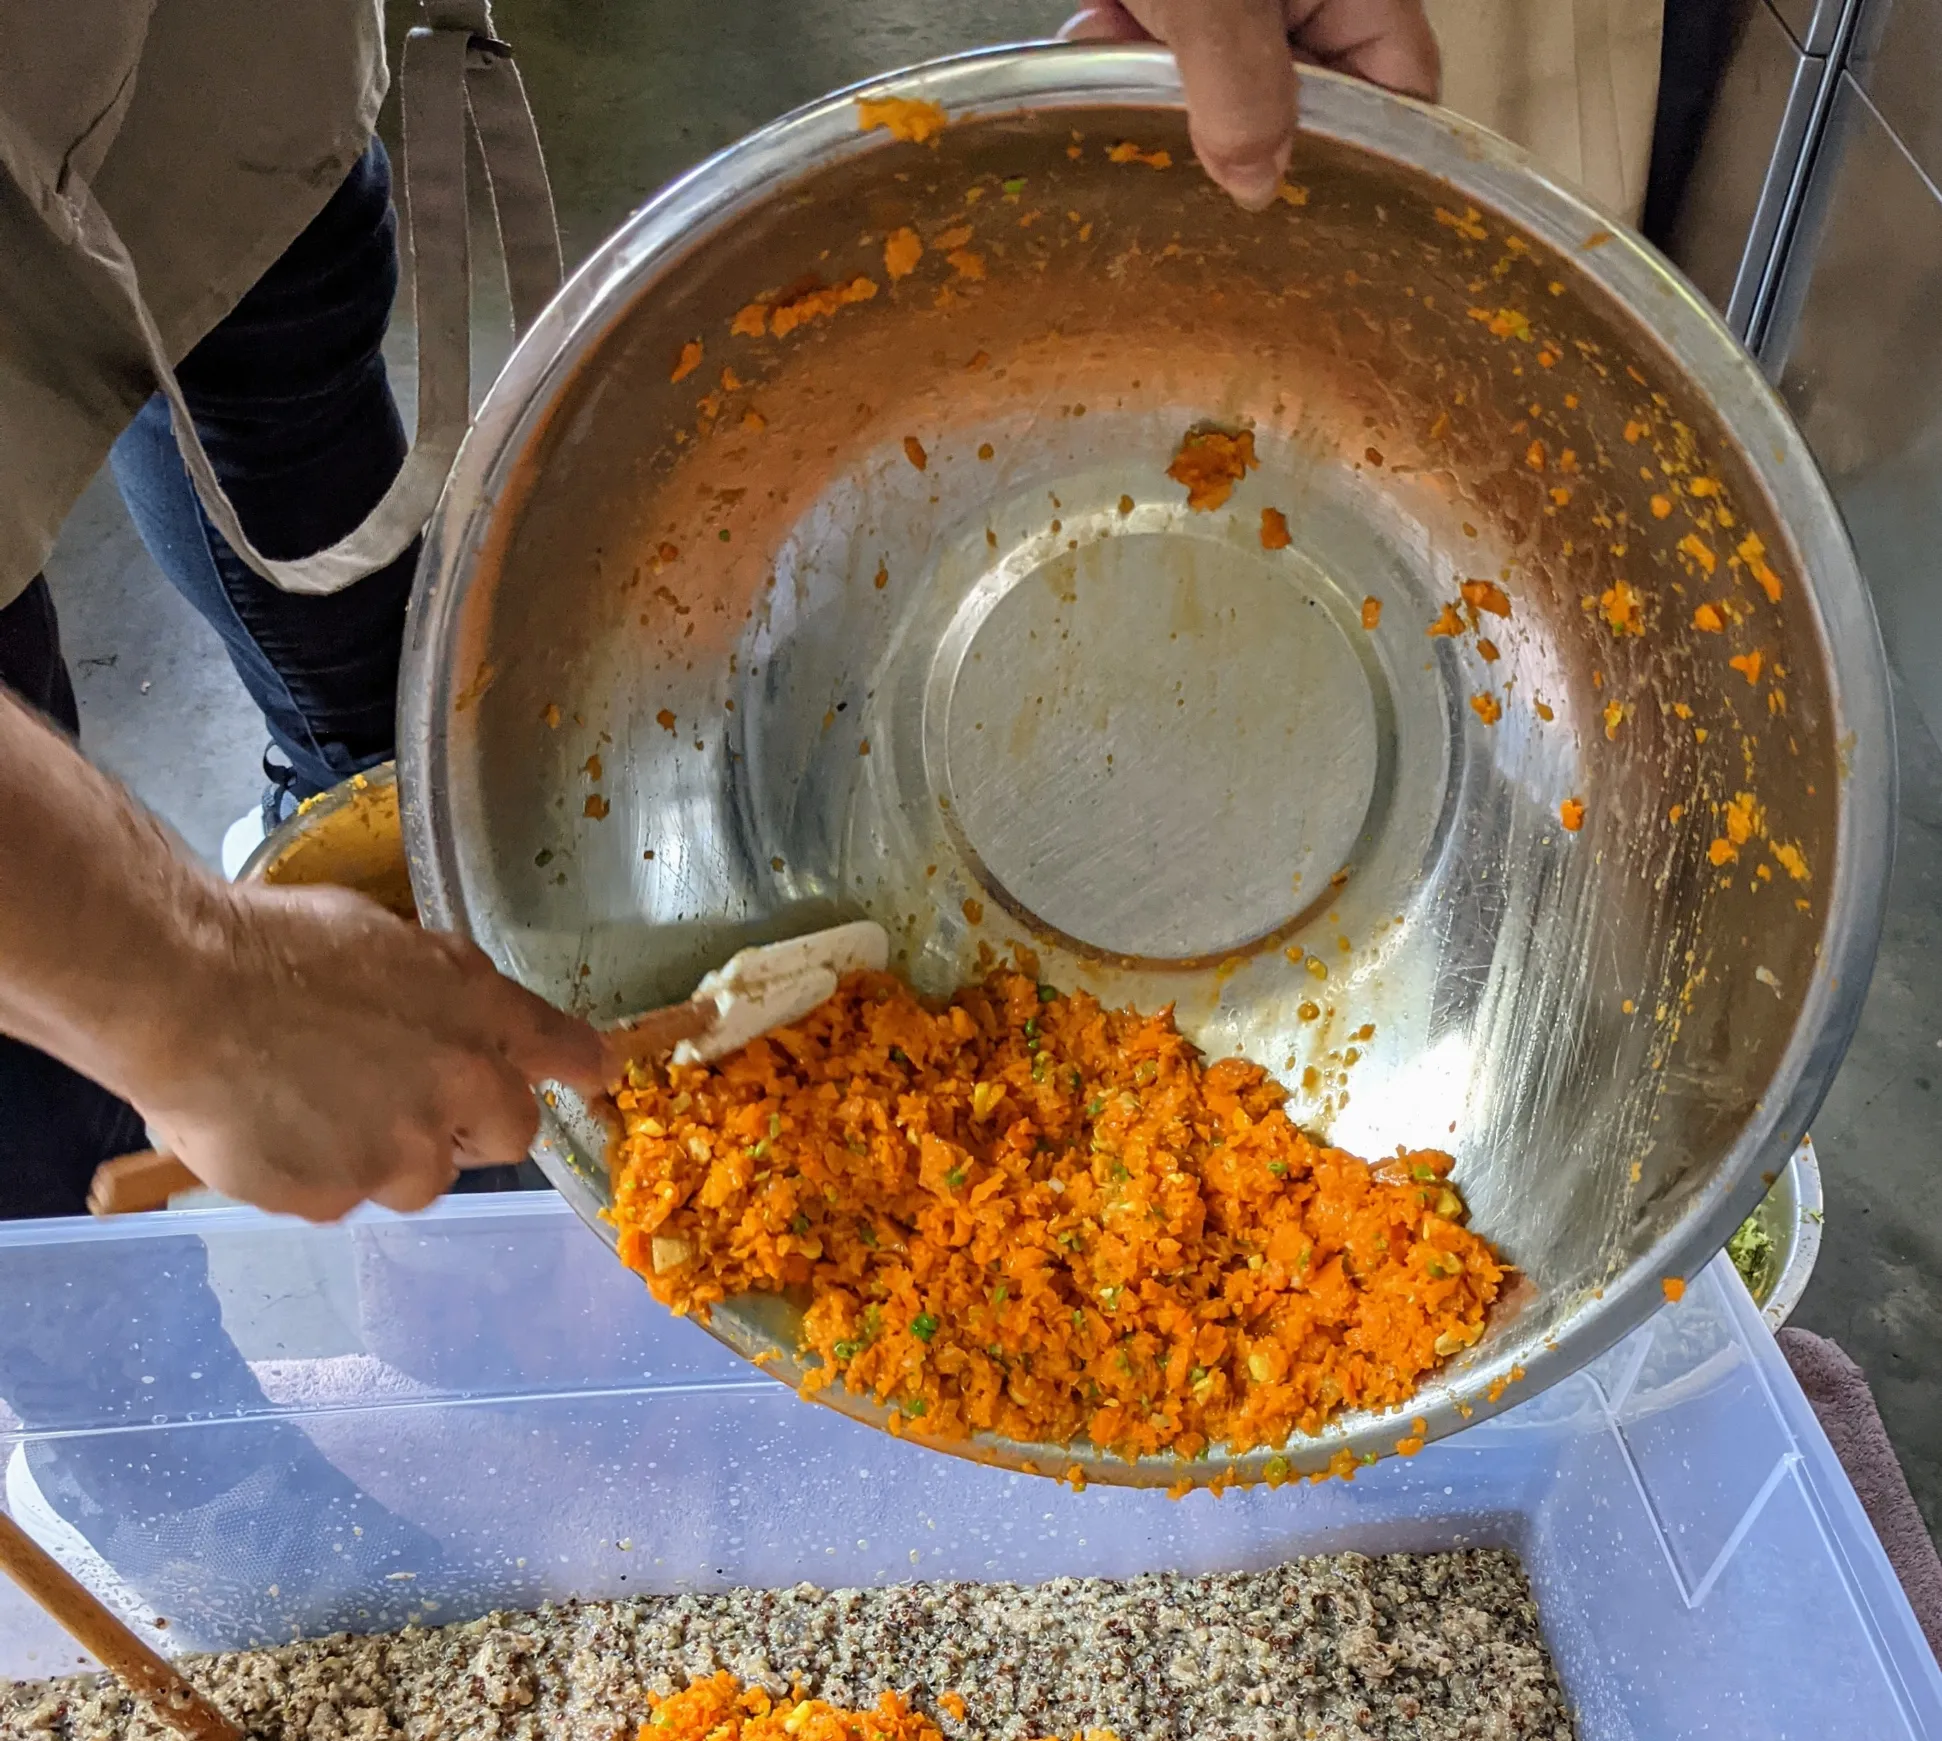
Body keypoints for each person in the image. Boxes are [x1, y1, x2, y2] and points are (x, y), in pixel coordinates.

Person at [0, 0, 1442, 1228]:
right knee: (42, 1144)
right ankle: (168, 1481)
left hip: (209, 58)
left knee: (272, 333)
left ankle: (359, 800)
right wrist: (176, 978)